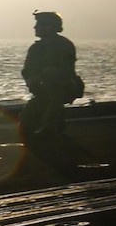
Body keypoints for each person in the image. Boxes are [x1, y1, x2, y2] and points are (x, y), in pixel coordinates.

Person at [21, 10, 82, 143]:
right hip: (41, 88)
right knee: (25, 127)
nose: (35, 27)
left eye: (39, 24)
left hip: (62, 87)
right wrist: (33, 81)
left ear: (49, 27)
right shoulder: (37, 48)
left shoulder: (63, 45)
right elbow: (27, 71)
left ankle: (50, 126)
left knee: (53, 84)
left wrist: (44, 75)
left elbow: (64, 71)